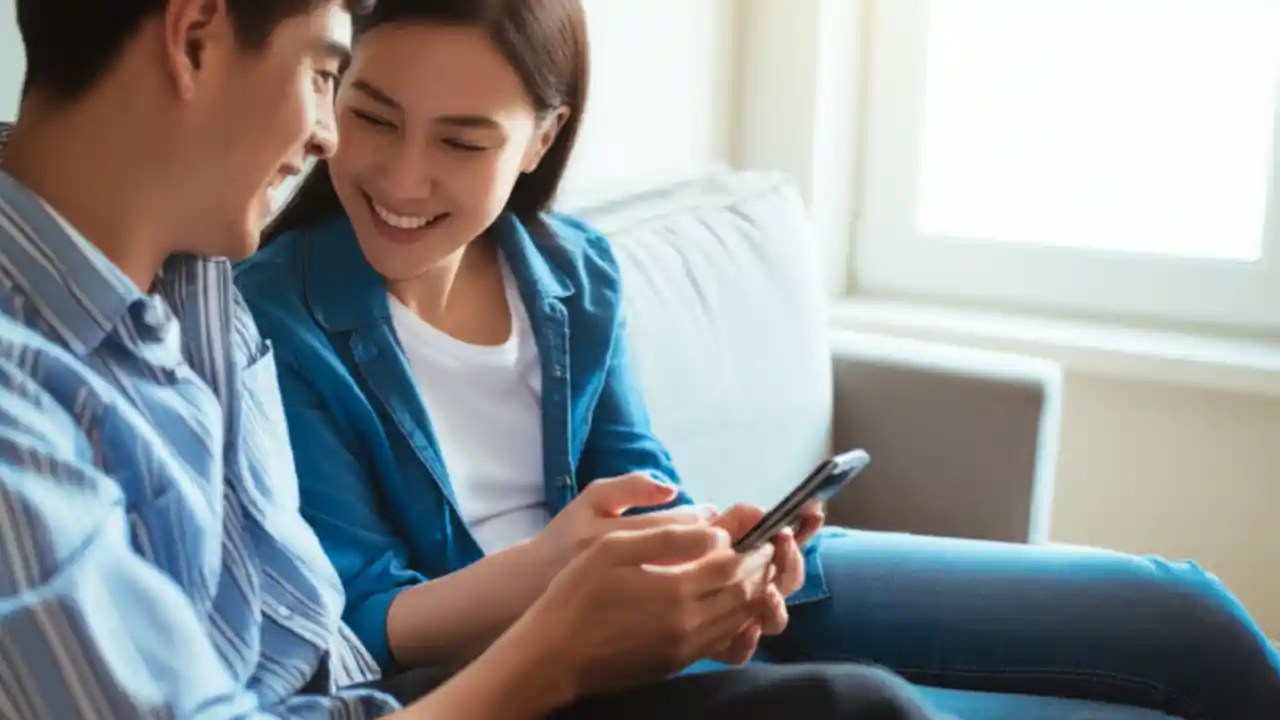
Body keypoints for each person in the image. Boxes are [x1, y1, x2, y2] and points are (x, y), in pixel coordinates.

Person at [239, 1, 1280, 719]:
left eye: (463, 142)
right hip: (540, 658)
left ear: (540, 139)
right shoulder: (276, 312)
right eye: (371, 115)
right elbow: (363, 621)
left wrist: (734, 548)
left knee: (1179, 612)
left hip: (678, 592)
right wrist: (562, 565)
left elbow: (643, 478)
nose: (403, 175)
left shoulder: (570, 273)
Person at [0, 1, 954, 718]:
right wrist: (554, 648)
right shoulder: (39, 397)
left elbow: (318, 651)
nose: (329, 136)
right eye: (327, 75)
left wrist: (668, 576)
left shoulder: (194, 291)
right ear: (195, 34)